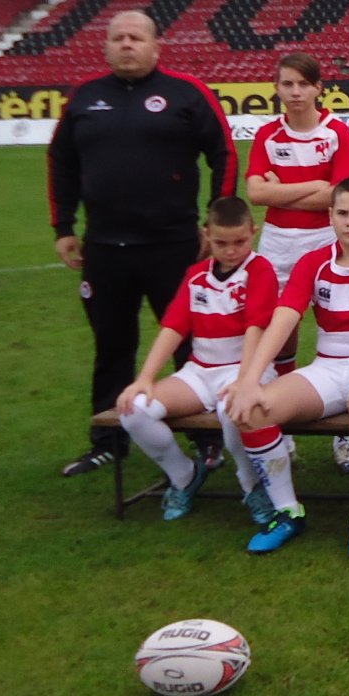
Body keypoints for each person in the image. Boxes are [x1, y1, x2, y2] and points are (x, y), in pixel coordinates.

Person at [48, 9, 236, 478]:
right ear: (106, 47)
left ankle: (206, 438)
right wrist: (63, 227)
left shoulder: (185, 93)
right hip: (105, 249)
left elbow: (224, 152)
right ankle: (108, 441)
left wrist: (216, 220)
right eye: (118, 38)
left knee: (192, 345)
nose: (126, 44)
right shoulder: (86, 98)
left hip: (173, 246)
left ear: (156, 47)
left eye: (136, 37)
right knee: (112, 344)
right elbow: (60, 162)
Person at [223, 177, 349, 556]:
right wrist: (249, 379)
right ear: (330, 216)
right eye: (342, 213)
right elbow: (283, 319)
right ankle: (287, 510)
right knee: (252, 411)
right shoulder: (312, 262)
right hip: (326, 366)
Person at [115, 196, 279, 522]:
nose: (230, 250)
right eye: (220, 242)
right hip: (200, 373)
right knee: (134, 410)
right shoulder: (195, 275)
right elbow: (173, 328)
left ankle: (253, 486)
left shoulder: (260, 270)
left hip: (247, 370)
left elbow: (255, 329)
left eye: (240, 242)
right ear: (206, 234)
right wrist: (145, 378)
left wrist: (245, 381)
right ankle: (185, 476)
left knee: (235, 410)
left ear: (253, 232)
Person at [243, 51, 349, 376]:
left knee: (337, 314)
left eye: (303, 84)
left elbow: (341, 195)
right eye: (288, 84)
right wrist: (316, 185)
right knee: (279, 318)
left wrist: (279, 193)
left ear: (318, 88)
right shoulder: (267, 134)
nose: (295, 92)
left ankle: (338, 389)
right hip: (277, 241)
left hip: (325, 237)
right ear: (276, 87)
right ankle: (283, 389)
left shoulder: (337, 132)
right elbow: (255, 193)